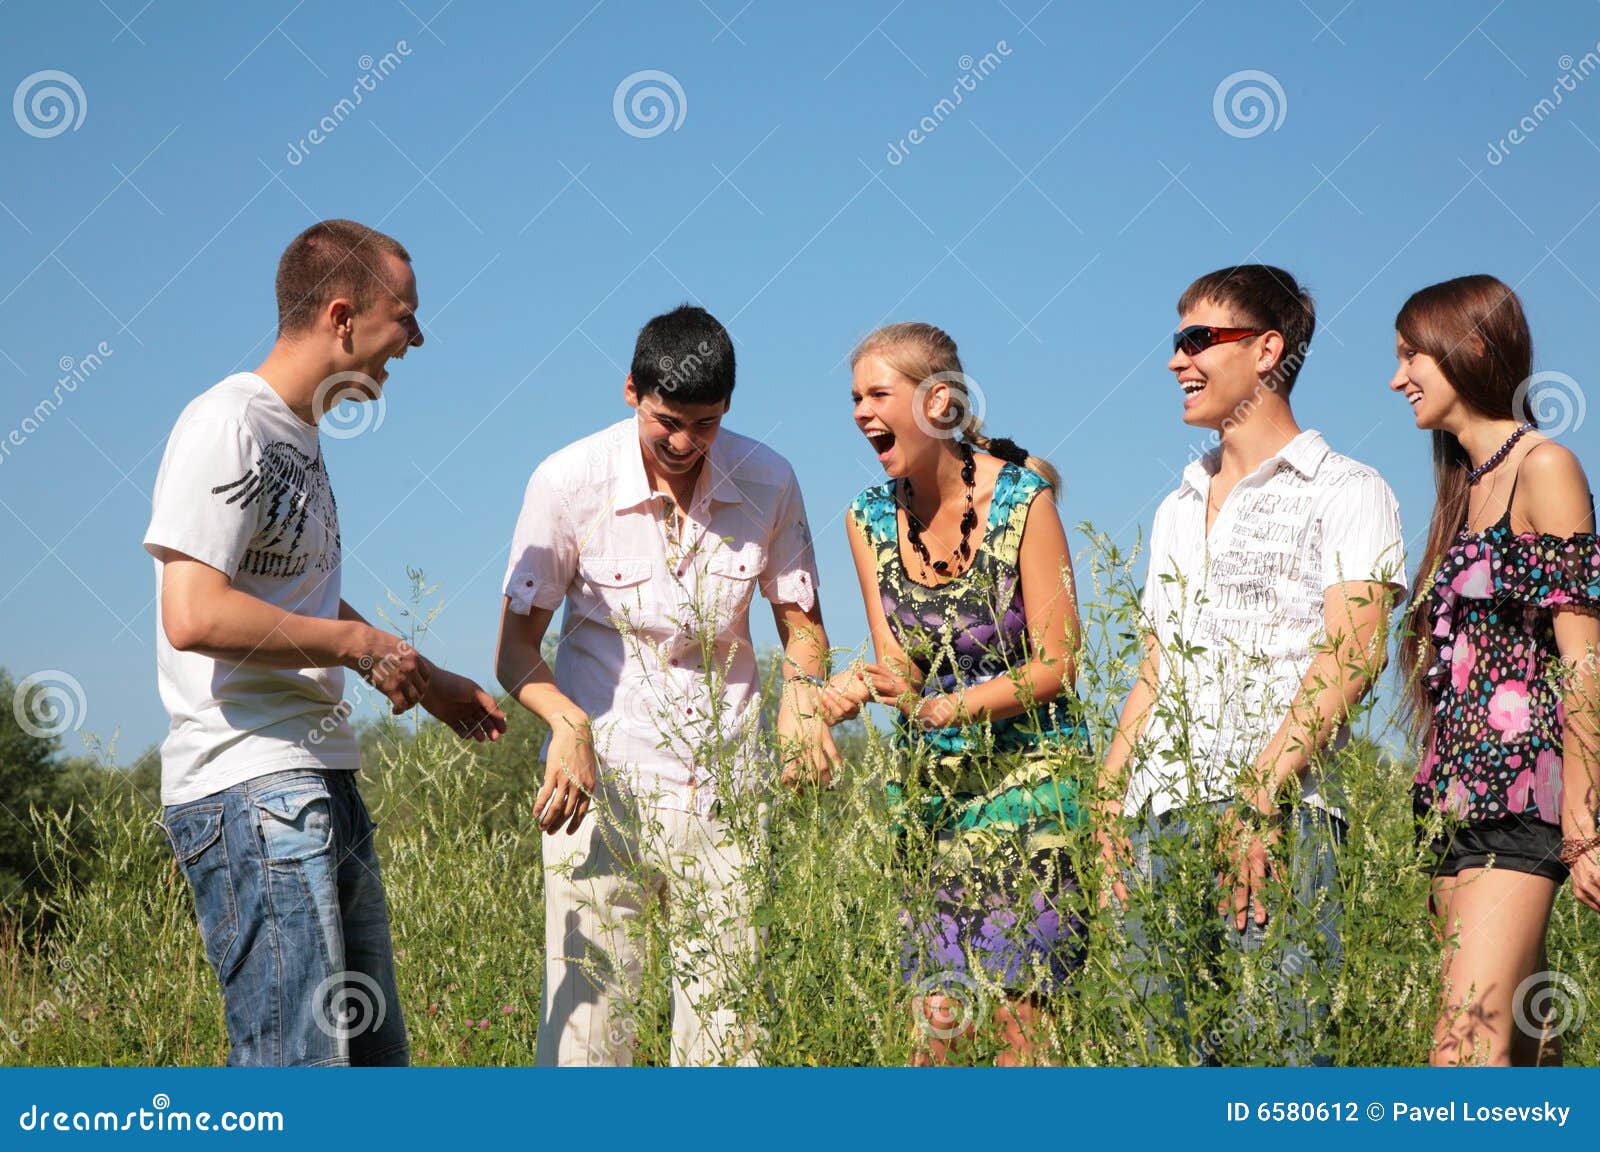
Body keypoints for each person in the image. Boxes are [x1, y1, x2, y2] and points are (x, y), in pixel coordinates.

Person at [145, 219, 508, 1067]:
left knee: (370, 1068)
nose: (415, 338)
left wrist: (423, 670)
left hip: (315, 780)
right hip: (252, 784)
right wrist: (352, 641)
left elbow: (286, 592)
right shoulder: (228, 422)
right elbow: (194, 612)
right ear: (342, 318)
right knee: (298, 1069)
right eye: (404, 316)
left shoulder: (295, 435)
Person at [495, 304, 835, 1066]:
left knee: (728, 1035)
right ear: (630, 392)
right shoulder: (565, 480)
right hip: (602, 792)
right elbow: (515, 651)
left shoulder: (772, 480)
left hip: (727, 793)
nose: (684, 443)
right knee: (590, 1036)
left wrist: (802, 703)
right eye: (667, 422)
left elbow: (804, 628)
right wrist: (566, 724)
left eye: (706, 424)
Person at [1096, 265, 1406, 1065]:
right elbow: (1153, 669)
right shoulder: (1174, 505)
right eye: (1177, 341)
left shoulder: (1349, 488)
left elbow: (1355, 653)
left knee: (1282, 1062)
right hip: (1155, 820)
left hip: (1281, 815)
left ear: (1267, 350)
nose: (1176, 360)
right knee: (1154, 1068)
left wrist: (1259, 796)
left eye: (1198, 338)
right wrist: (1105, 805)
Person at [819, 321, 1090, 1065]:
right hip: (932, 797)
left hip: (1031, 785)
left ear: (938, 401)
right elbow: (899, 666)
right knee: (934, 1024)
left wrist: (959, 705)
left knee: (1018, 1023)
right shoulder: (866, 518)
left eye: (879, 393)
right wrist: (854, 689)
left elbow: (1060, 662)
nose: (860, 412)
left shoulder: (1024, 501)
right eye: (854, 397)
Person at [1391, 274, 1600, 1065]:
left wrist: (1582, 821)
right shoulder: (1463, 490)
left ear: (1472, 346)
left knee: (1461, 1050)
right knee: (1526, 1052)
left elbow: (1583, 657)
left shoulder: (1545, 467)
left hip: (1524, 802)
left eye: (1413, 355)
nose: (1397, 376)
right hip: (1452, 802)